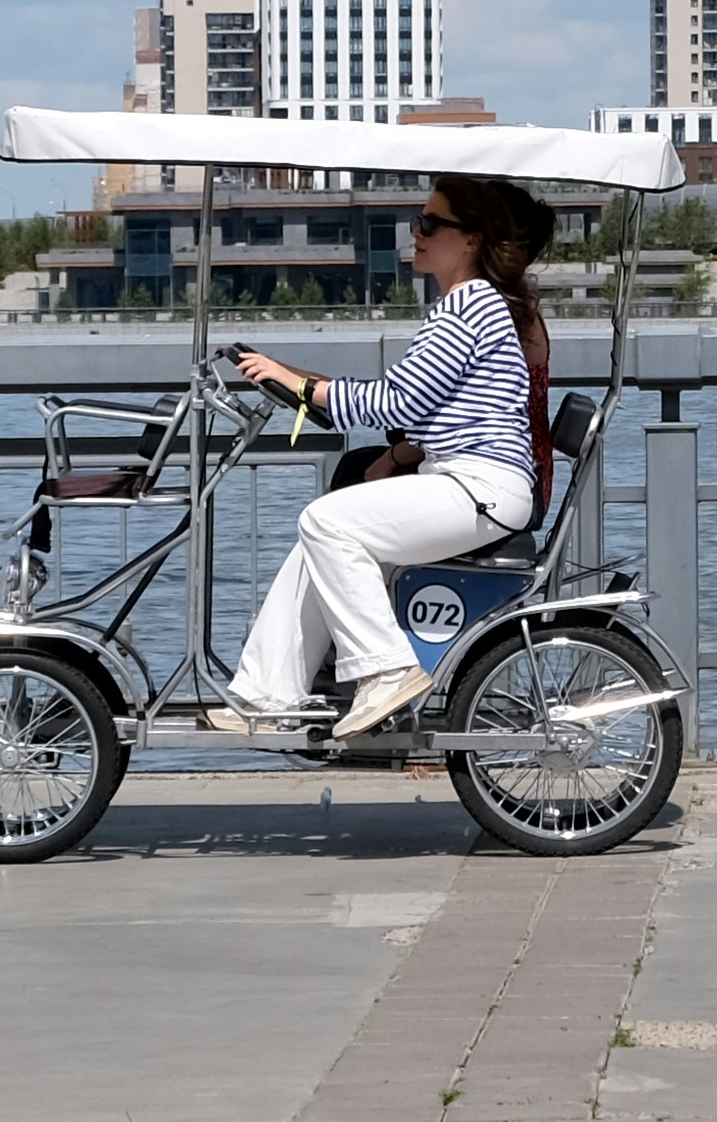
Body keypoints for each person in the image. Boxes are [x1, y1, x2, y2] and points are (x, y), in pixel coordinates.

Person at [208, 175, 553, 743]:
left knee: (325, 520)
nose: (414, 233)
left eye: (429, 223)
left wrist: (300, 388)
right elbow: (413, 408)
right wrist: (301, 383)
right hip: (471, 482)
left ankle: (385, 668)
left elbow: (395, 401)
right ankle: (266, 694)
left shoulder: (469, 306)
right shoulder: (469, 306)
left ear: (470, 240)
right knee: (317, 541)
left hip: (480, 486)